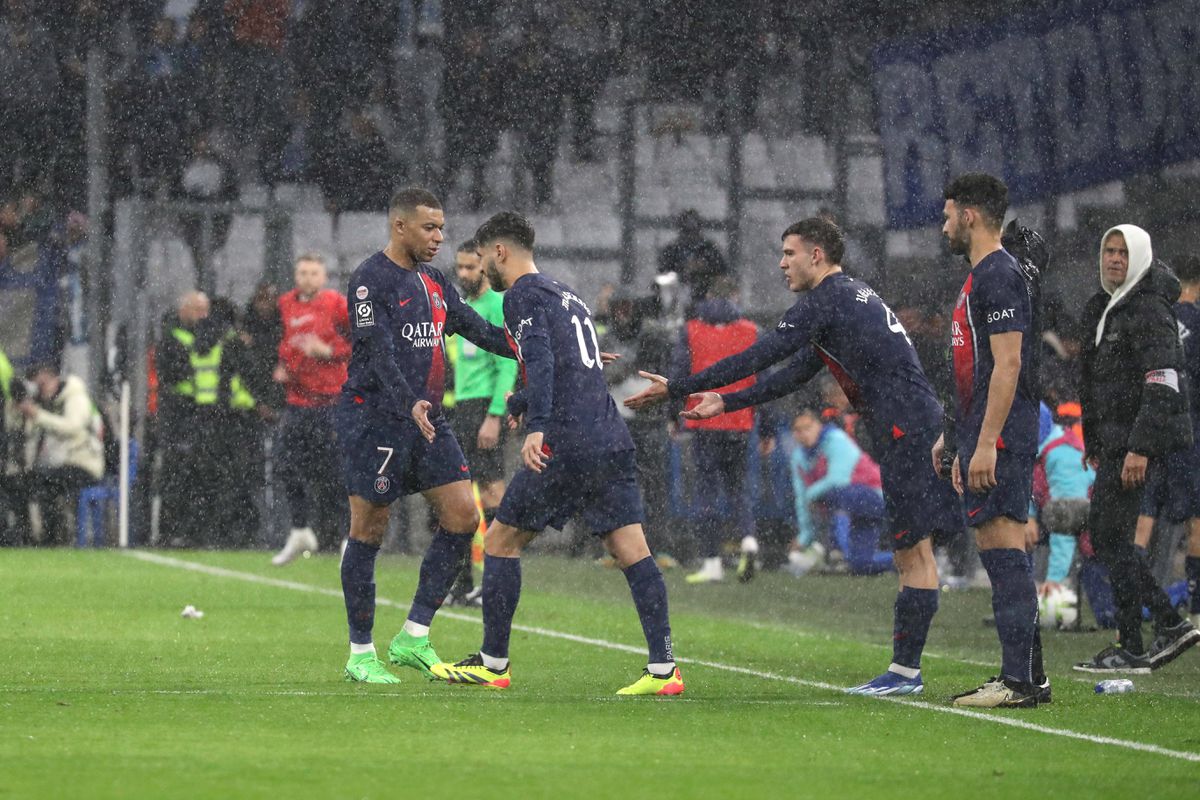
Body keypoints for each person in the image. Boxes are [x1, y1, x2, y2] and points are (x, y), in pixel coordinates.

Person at [626, 216, 964, 698]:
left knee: (915, 553)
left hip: (907, 431)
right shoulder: (847, 297)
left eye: (789, 253)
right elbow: (797, 371)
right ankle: (909, 669)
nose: (782, 263)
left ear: (817, 255)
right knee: (917, 551)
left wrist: (680, 386)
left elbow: (764, 354)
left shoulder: (827, 299)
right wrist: (727, 400)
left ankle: (906, 672)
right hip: (911, 426)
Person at [432, 211, 683, 696]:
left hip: (567, 441)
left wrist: (537, 426)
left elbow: (543, 358)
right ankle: (664, 667)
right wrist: (524, 400)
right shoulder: (565, 293)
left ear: (500, 252)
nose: (485, 270)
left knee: (502, 540)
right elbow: (566, 362)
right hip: (609, 435)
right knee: (633, 549)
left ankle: (493, 662)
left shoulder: (522, 295)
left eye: (485, 260)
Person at [334, 187, 517, 684]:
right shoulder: (370, 281)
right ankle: (360, 654)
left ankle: (413, 635)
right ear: (400, 227)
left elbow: (477, 328)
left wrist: (539, 349)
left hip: (428, 420)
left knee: (463, 516)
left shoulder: (435, 281)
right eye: (429, 228)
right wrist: (406, 398)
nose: (439, 237)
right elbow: (376, 353)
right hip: (376, 419)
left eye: (441, 227)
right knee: (369, 529)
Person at [937, 173, 1050, 707]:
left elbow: (1008, 364)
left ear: (969, 216)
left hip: (1000, 437)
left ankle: (1018, 682)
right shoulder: (980, 275)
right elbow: (974, 369)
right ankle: (1031, 676)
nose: (943, 225)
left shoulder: (999, 275)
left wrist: (985, 444)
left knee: (1004, 552)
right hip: (982, 432)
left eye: (947, 214)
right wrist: (954, 435)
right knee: (1001, 553)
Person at [1075, 225, 1200, 672]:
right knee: (1111, 538)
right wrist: (1093, 438)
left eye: (1123, 253)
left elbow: (1163, 381)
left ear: (1140, 258)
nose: (1113, 259)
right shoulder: (1103, 307)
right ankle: (1146, 635)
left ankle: (1159, 628)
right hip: (1113, 443)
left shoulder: (1148, 308)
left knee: (1108, 537)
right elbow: (1093, 383)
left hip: (1134, 446)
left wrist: (1139, 448)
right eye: (1108, 251)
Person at [444, 238, 519, 604]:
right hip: (462, 407)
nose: (463, 274)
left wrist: (494, 416)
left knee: (491, 492)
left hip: (484, 409)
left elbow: (507, 363)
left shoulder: (497, 305)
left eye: (470, 267)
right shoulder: (466, 306)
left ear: (485, 267)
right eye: (459, 267)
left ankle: (496, 578)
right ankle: (464, 583)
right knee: (460, 495)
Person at [672, 278, 759, 584]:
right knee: (738, 489)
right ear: (735, 294)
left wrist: (674, 414)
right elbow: (763, 376)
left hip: (703, 420)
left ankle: (712, 562)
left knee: (706, 492)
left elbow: (680, 372)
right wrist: (769, 427)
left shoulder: (693, 329)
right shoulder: (750, 331)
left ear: (707, 295)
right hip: (739, 419)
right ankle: (748, 539)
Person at [1132, 255, 1200, 630]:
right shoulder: (1197, 321)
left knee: (1143, 516)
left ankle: (1133, 602)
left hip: (1150, 428)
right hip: (1189, 432)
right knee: (1196, 521)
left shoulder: (1154, 319)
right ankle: (1195, 605)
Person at [272, 253, 351, 565]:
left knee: (335, 471)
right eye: (302, 272)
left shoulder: (336, 304)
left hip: (331, 400)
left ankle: (348, 537)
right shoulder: (286, 303)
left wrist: (330, 351)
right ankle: (300, 529)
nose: (307, 278)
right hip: (298, 400)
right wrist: (285, 365)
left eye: (313, 273)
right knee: (285, 463)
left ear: (324, 277)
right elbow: (289, 342)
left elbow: (361, 340)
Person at [7, 363, 103, 545]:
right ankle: (27, 538)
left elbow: (72, 427)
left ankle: (52, 539)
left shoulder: (75, 396)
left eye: (42, 384)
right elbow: (22, 430)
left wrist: (38, 415)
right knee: (18, 483)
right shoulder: (48, 403)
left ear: (54, 379)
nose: (40, 390)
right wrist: (20, 407)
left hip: (84, 464)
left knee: (46, 483)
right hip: (59, 465)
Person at [790, 408, 892, 576]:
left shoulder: (836, 439)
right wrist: (804, 538)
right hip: (858, 511)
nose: (804, 434)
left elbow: (838, 480)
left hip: (876, 498)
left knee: (836, 495)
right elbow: (800, 500)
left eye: (807, 427)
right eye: (798, 430)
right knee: (860, 565)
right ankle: (910, 562)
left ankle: (835, 549)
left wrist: (810, 495)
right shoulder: (798, 457)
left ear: (818, 425)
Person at [657, 209, 729, 307]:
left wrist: (703, 269)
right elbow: (663, 273)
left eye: (693, 231)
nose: (690, 236)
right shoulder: (672, 250)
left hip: (706, 298)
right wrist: (682, 270)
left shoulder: (709, 249)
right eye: (687, 231)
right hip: (679, 295)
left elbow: (722, 272)